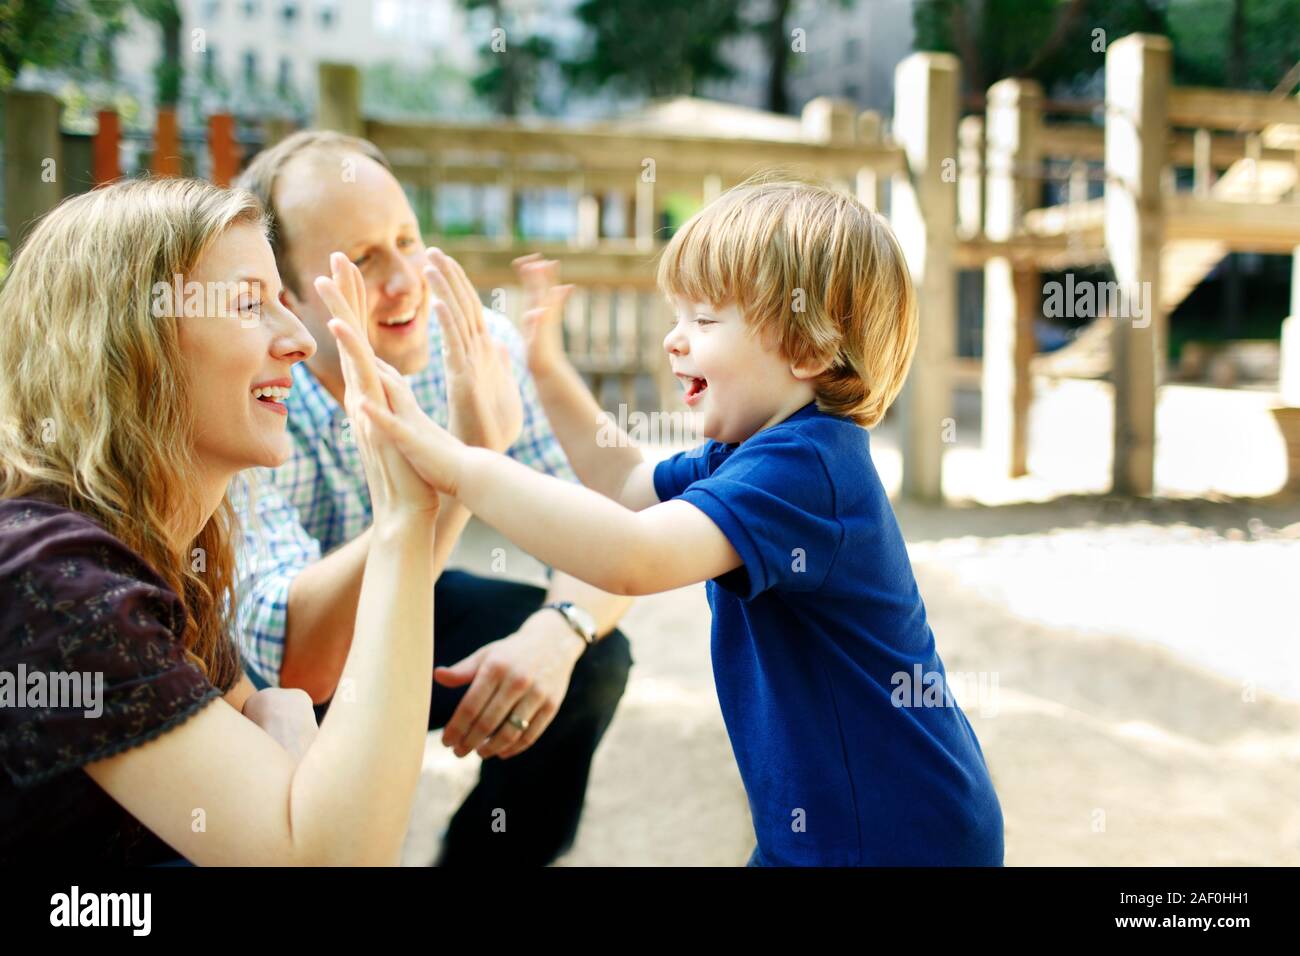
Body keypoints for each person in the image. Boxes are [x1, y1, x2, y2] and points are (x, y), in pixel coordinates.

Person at [339, 178, 1007, 866]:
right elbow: (625, 486)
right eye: (676, 316)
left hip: (898, 837)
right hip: (832, 829)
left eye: (704, 321)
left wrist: (459, 464)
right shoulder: (753, 451)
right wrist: (544, 371)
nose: (674, 341)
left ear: (808, 348)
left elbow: (632, 556)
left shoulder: (807, 470)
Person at [0, 177, 440, 865]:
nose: (298, 339)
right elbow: (333, 855)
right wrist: (405, 523)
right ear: (127, 347)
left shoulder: (165, 544)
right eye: (248, 306)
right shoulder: (60, 581)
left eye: (284, 305)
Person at [230, 131, 633, 866]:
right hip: (281, 663)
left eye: (406, 240)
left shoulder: (474, 348)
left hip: (410, 594)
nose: (404, 281)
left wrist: (559, 631)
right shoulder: (249, 394)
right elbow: (299, 666)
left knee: (592, 659)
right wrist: (462, 464)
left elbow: (608, 538)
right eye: (360, 260)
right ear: (284, 295)